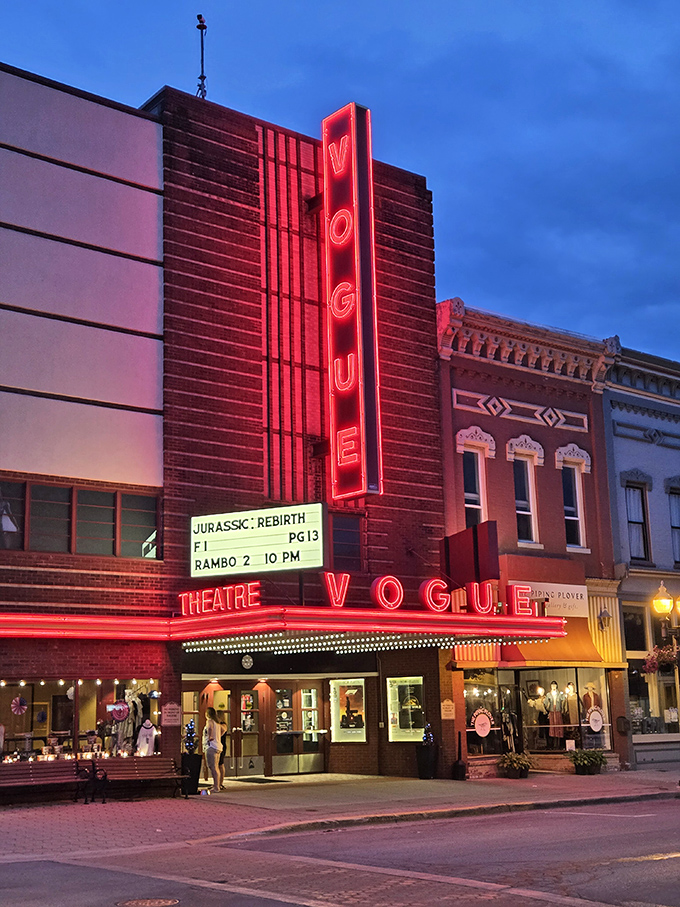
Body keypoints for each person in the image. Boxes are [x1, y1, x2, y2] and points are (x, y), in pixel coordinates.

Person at [202, 707, 223, 792]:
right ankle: (217, 785)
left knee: (212, 767)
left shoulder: (210, 721)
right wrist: (218, 737)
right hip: (218, 746)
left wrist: (210, 736)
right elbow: (223, 730)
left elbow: (210, 728)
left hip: (211, 746)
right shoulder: (217, 723)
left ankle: (216, 787)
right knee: (216, 767)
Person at [216, 709, 229, 789]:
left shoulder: (223, 725)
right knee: (216, 765)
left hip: (221, 746)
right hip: (217, 745)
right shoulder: (216, 724)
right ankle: (216, 782)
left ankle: (220, 783)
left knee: (220, 764)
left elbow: (220, 734)